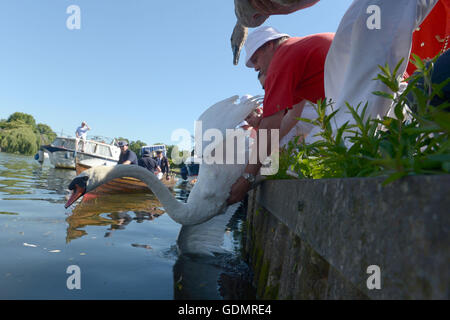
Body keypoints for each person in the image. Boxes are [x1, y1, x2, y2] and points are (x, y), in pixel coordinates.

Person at [227, 26, 334, 204]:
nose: (255, 67)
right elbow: (291, 118)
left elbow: (270, 126)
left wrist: (247, 178)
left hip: (374, 81)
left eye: (255, 59)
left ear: (269, 45)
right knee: (311, 150)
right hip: (365, 84)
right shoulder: (297, 55)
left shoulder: (283, 57)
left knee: (311, 153)